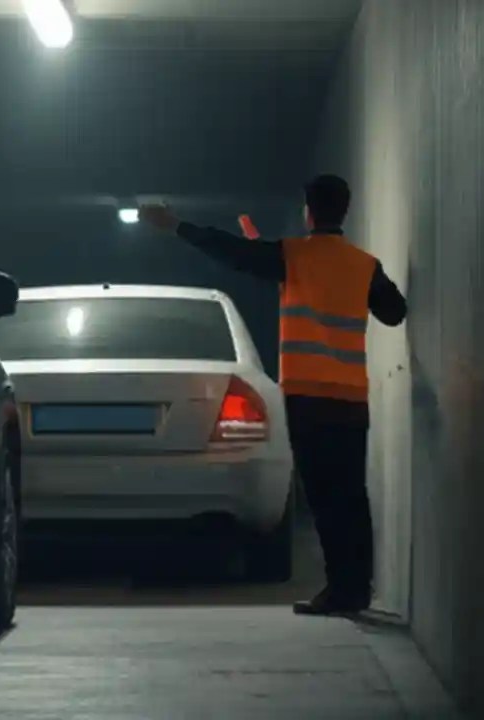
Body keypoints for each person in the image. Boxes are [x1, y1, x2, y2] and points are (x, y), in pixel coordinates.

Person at [139, 174, 407, 615]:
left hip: (307, 398)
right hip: (351, 398)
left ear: (309, 211)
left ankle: (339, 592)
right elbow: (394, 313)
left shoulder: (291, 256)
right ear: (345, 211)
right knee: (352, 496)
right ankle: (357, 587)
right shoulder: (364, 264)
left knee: (322, 498)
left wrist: (176, 226)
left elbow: (232, 252)